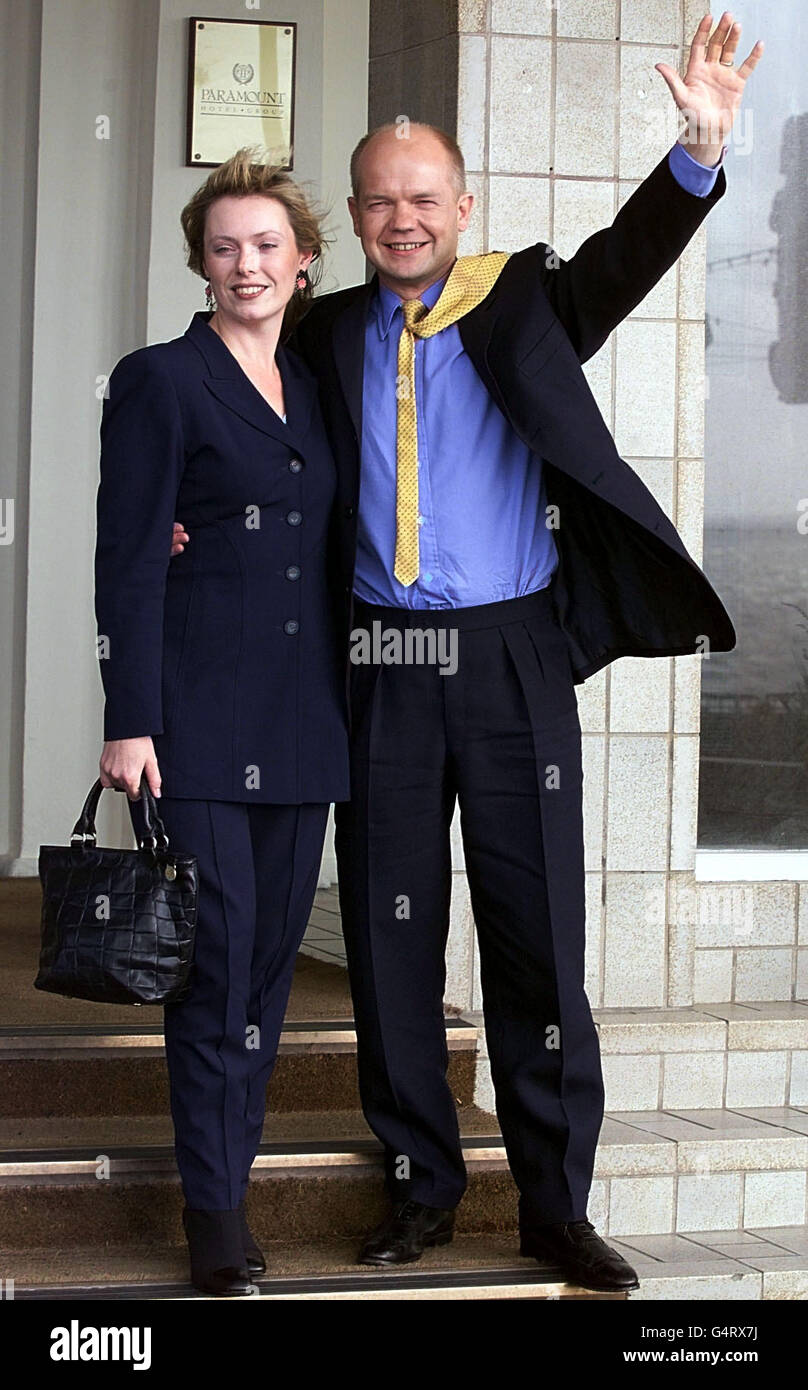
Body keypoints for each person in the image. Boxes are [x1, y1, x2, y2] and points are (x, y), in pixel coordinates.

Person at [172, 13, 764, 1293]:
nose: (402, 218)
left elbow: (627, 256)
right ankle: (419, 1189)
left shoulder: (527, 301)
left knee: (535, 931)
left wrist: (697, 152)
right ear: (353, 211)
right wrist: (188, 508)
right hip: (378, 662)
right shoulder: (323, 337)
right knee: (391, 939)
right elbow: (248, 432)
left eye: (424, 197)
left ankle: (555, 1206)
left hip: (509, 659)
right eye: (380, 201)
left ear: (462, 203)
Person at [94, 149, 350, 1296]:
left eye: (266, 245)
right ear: (199, 261)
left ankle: (231, 1185)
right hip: (193, 725)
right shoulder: (158, 378)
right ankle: (215, 1214)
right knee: (216, 971)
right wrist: (129, 720)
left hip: (305, 729)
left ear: (302, 262)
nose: (245, 264)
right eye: (224, 246)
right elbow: (130, 556)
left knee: (264, 982)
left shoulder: (324, 383)